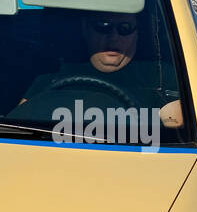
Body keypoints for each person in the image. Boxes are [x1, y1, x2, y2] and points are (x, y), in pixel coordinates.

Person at [18, 13, 183, 128]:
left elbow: (179, 130)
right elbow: (20, 124)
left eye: (125, 28)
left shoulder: (164, 78)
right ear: (85, 29)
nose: (114, 37)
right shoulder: (52, 76)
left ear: (137, 33)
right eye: (103, 26)